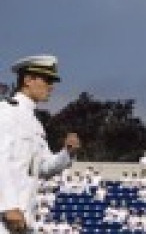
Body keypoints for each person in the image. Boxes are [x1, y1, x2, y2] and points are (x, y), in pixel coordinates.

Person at [0, 55, 82, 233]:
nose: (51, 86)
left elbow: (44, 167)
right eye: (47, 80)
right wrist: (7, 206)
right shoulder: (5, 112)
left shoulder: (35, 124)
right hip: (6, 216)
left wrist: (67, 153)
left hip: (23, 217)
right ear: (28, 80)